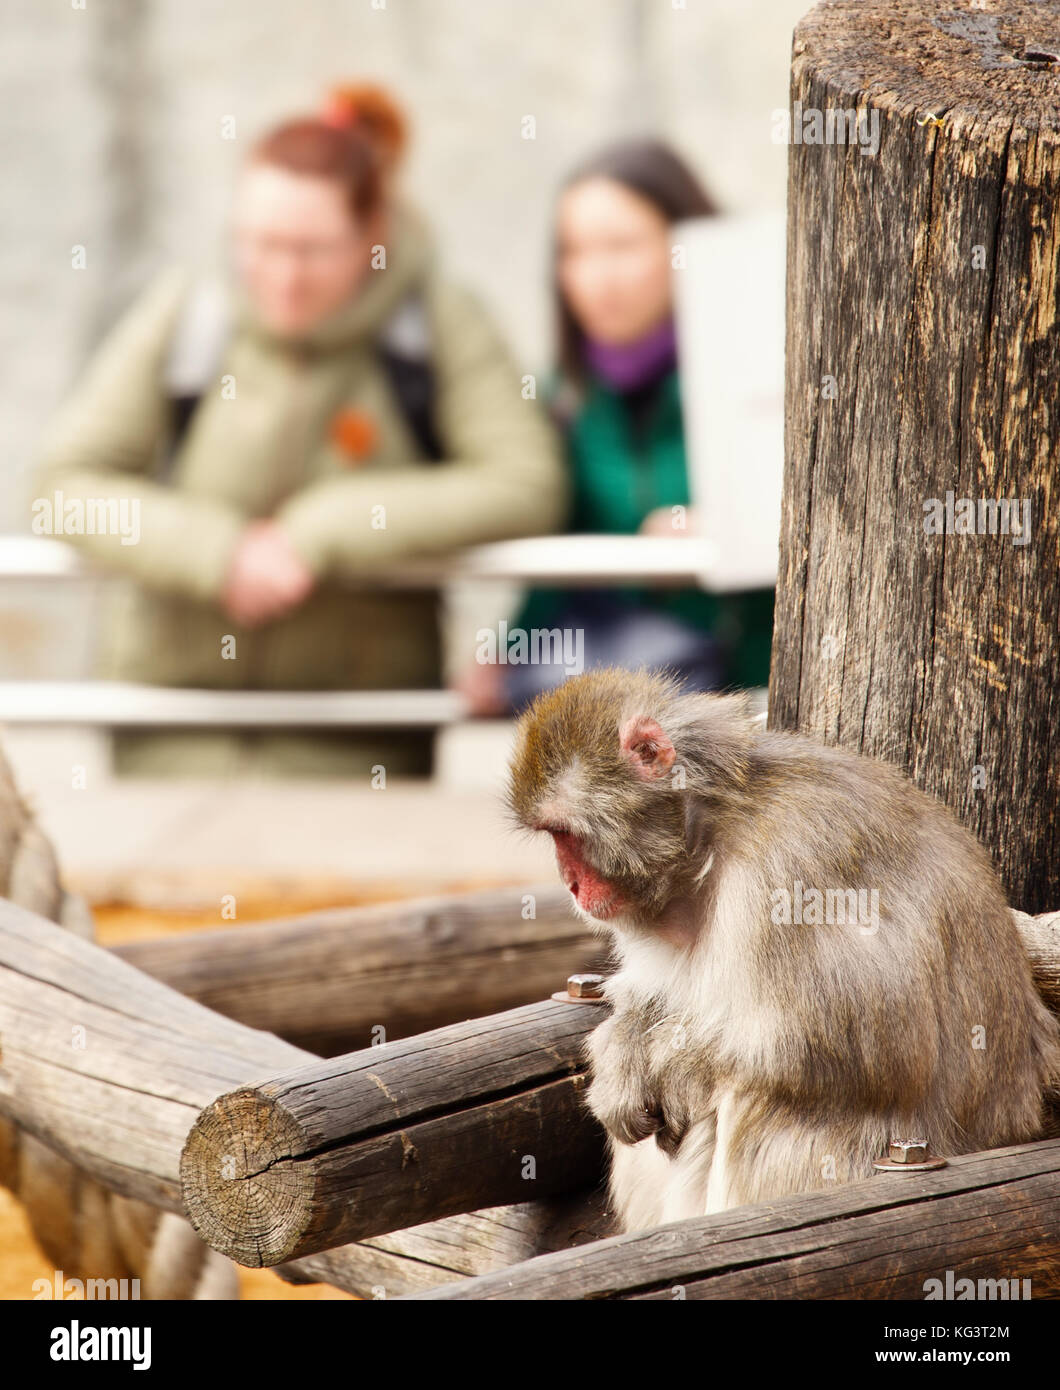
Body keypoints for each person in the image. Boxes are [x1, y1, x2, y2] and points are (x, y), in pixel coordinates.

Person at [35, 84, 566, 776]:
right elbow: (62, 487)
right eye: (258, 246)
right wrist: (217, 552)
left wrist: (325, 531)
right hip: (171, 733)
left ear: (374, 231)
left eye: (312, 250)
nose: (281, 278)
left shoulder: (438, 322)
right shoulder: (187, 312)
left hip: (356, 746)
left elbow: (526, 481)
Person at [461, 139, 774, 715]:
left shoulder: (768, 376)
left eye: (622, 246)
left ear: (688, 243)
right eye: (574, 252)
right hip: (635, 718)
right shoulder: (566, 399)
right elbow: (559, 563)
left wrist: (734, 528)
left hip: (756, 704)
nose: (596, 277)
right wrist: (507, 654)